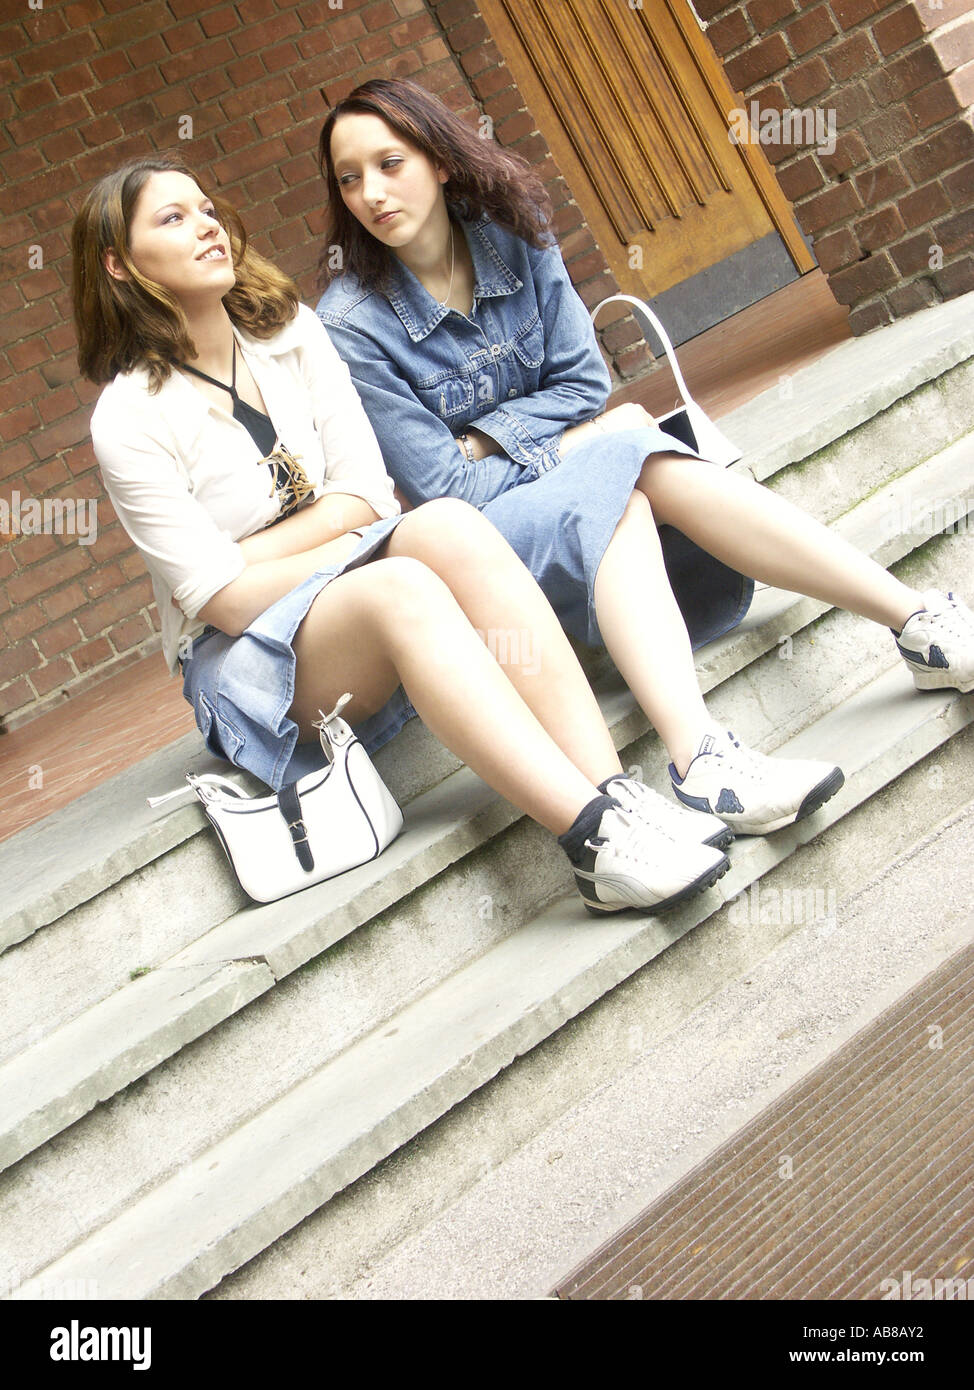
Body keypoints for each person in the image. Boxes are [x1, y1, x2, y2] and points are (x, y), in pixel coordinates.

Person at [69, 153, 739, 917]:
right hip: (248, 662)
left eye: (206, 207)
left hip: (328, 591)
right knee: (400, 581)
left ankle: (613, 793)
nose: (207, 227)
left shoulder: (291, 332)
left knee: (445, 524)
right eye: (173, 219)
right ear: (119, 266)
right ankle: (590, 843)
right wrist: (333, 546)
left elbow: (370, 497)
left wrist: (269, 551)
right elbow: (221, 604)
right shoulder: (128, 419)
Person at [315, 78, 974, 838]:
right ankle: (707, 752)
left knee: (633, 459)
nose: (371, 192)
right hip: (488, 554)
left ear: (440, 159)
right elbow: (445, 486)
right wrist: (577, 439)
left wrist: (504, 436)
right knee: (624, 458)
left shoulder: (515, 235)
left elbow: (584, 379)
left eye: (389, 163)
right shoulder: (353, 323)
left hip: (569, 501)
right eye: (349, 178)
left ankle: (913, 625)